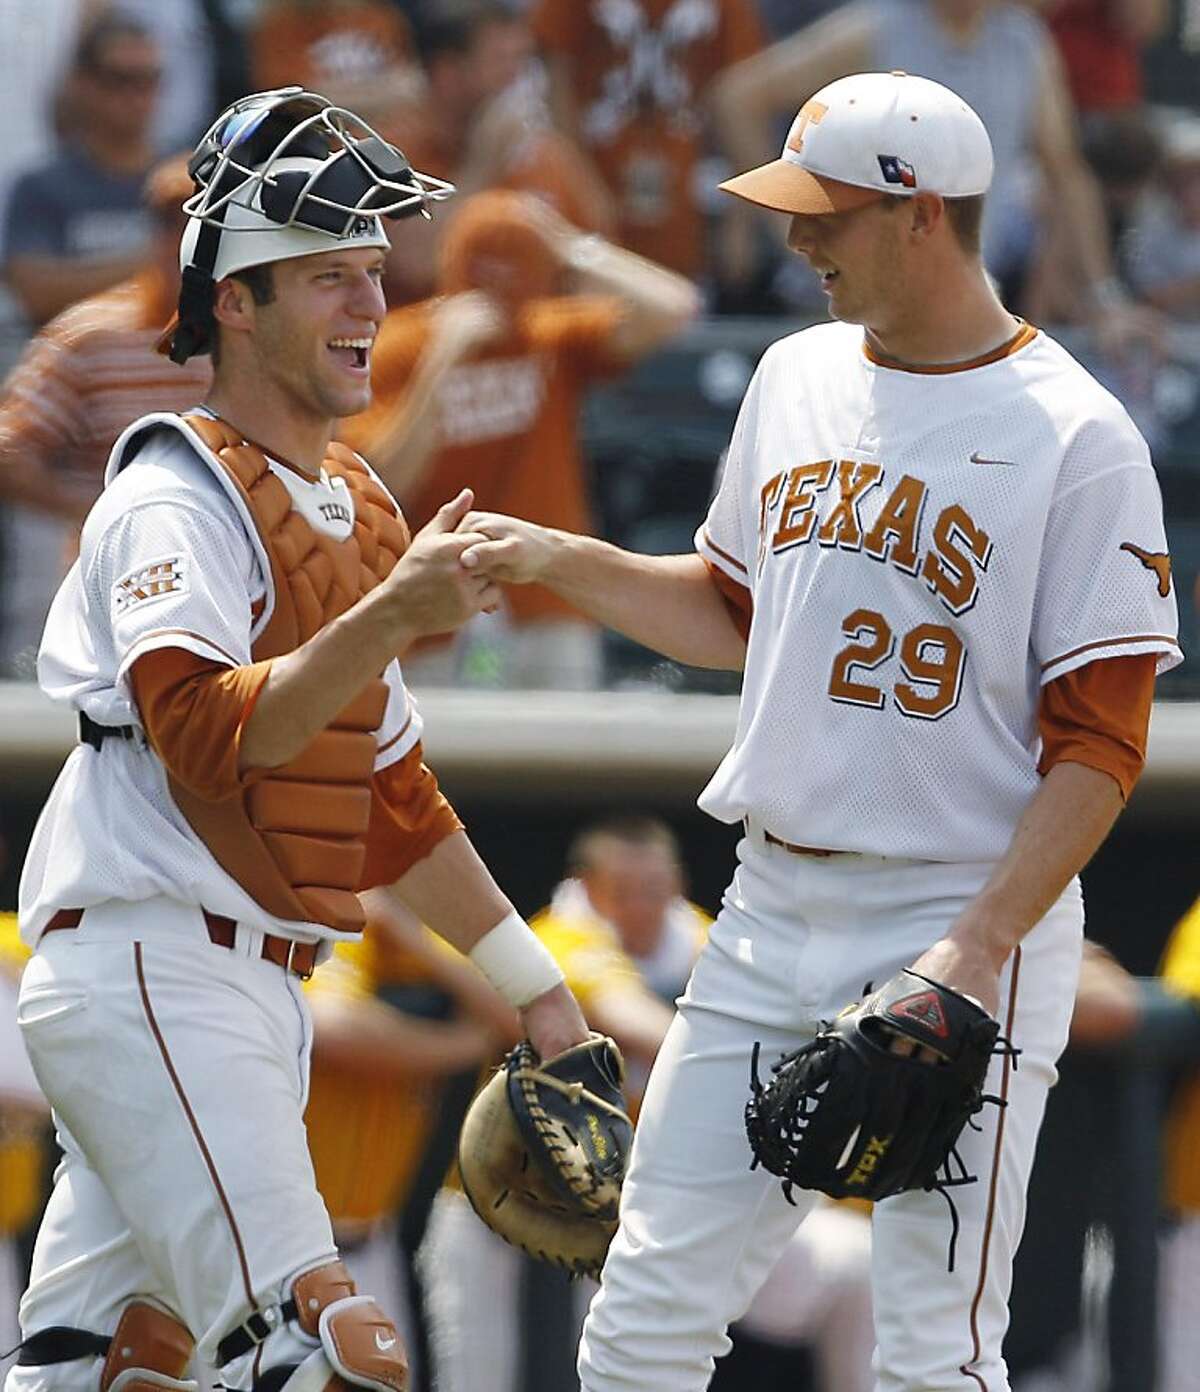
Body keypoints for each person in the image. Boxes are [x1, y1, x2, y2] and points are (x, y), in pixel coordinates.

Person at [457, 70, 1183, 1391]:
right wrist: (562, 557)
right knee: (637, 1324)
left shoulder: (1077, 436)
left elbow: (1103, 746)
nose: (797, 241)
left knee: (931, 1348)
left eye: (826, 215)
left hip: (958, 909)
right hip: (770, 900)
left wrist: (975, 949)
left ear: (919, 216)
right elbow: (735, 611)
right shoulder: (793, 374)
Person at [4, 86, 589, 1392]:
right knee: (330, 1350)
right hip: (152, 964)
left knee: (99, 1367)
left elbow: (386, 797)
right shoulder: (173, 491)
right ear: (235, 300)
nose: (370, 306)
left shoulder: (364, 505)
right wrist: (390, 621)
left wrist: (538, 993)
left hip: (251, 988)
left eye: (375, 272)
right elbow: (208, 740)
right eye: (327, 276)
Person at [340, 190, 700, 689]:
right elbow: (386, 481)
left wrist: (571, 246)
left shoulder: (547, 334)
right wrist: (442, 360)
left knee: (566, 758)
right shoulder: (399, 343)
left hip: (550, 597)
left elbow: (675, 308)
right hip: (435, 610)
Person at [0, 155, 212, 676]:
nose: (180, 238)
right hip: (96, 572)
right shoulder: (92, 335)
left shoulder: (252, 333)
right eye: (167, 221)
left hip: (216, 566)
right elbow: (10, 450)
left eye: (197, 223)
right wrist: (99, 510)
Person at [2, 11, 164, 328]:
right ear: (83, 84)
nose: (137, 97)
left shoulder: (185, 176)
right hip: (70, 364)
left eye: (150, 79)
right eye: (121, 80)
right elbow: (34, 292)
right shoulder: (41, 187)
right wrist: (158, 263)